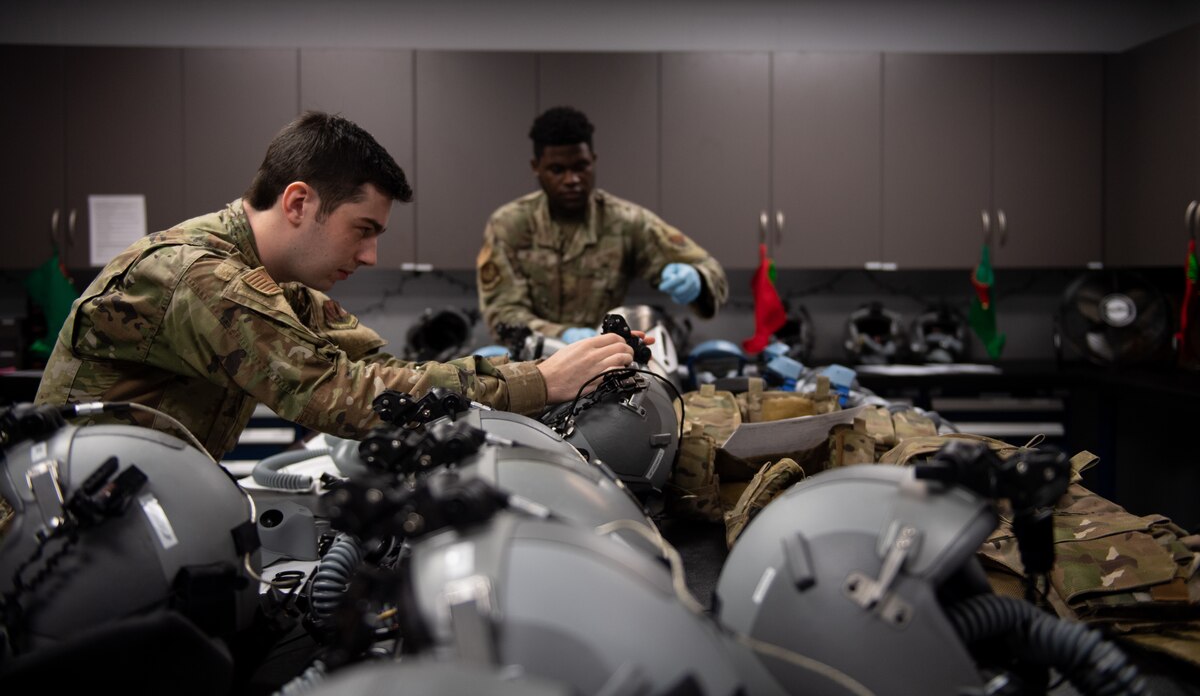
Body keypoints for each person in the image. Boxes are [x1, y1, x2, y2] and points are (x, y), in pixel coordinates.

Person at [34, 111, 639, 460]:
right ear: (299, 201)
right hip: (62, 540)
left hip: (131, 518)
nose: (372, 254)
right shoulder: (200, 278)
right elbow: (340, 395)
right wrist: (542, 381)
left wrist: (554, 366)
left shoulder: (279, 288)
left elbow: (386, 370)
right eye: (363, 229)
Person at [477, 106, 728, 343]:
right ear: (536, 167)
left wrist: (697, 280)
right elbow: (502, 313)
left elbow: (710, 268)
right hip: (531, 368)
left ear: (593, 160)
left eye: (581, 167)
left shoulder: (625, 222)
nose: (572, 179)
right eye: (557, 170)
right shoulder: (510, 225)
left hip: (604, 367)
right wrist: (562, 336)